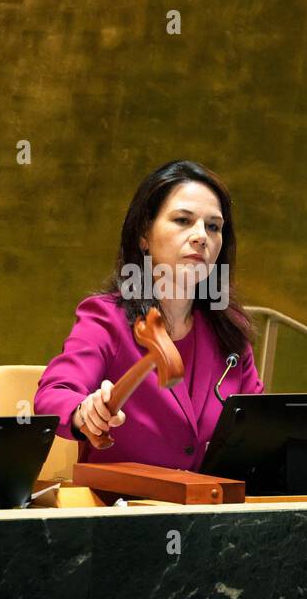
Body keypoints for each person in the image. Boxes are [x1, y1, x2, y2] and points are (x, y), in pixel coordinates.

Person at [35, 160, 262, 469]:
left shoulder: (230, 331)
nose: (201, 237)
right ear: (144, 234)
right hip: (122, 508)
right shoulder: (107, 318)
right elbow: (53, 395)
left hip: (208, 509)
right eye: (183, 220)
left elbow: (258, 424)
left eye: (213, 226)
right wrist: (84, 411)